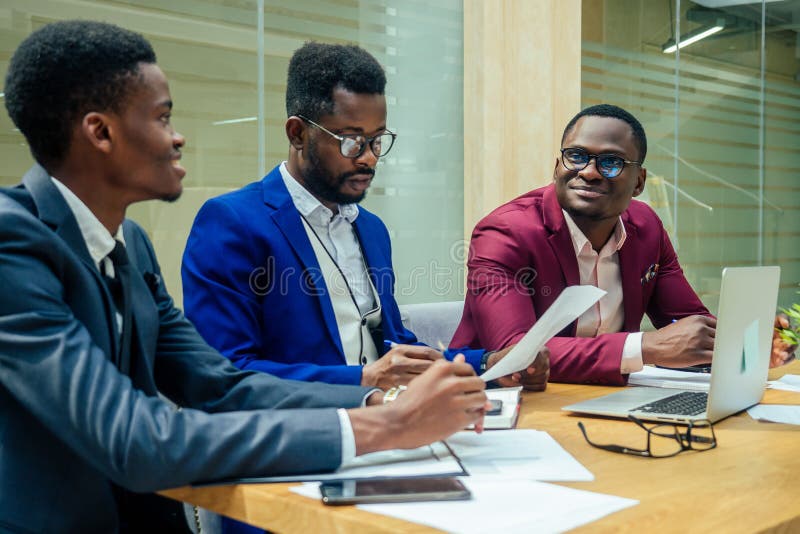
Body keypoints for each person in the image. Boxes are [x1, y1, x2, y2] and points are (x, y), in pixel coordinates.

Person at [0, 21, 491, 533]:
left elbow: (221, 385)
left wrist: (374, 400)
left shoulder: (132, 245)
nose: (178, 136)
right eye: (163, 117)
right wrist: (384, 425)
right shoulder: (11, 242)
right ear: (100, 133)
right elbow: (134, 437)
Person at [181, 42, 549, 392]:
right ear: (297, 133)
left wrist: (489, 364)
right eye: (351, 141)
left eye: (377, 140)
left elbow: (394, 348)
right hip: (305, 433)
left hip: (392, 420)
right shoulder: (232, 223)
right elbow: (226, 372)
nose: (370, 157)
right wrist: (363, 381)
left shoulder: (370, 229)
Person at [451, 103, 795, 386]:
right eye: (576, 156)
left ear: (639, 181)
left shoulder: (646, 228)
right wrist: (643, 346)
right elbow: (517, 355)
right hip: (503, 405)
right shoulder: (504, 233)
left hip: (610, 401)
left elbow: (686, 323)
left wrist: (746, 342)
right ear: (557, 168)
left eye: (611, 162)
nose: (589, 171)